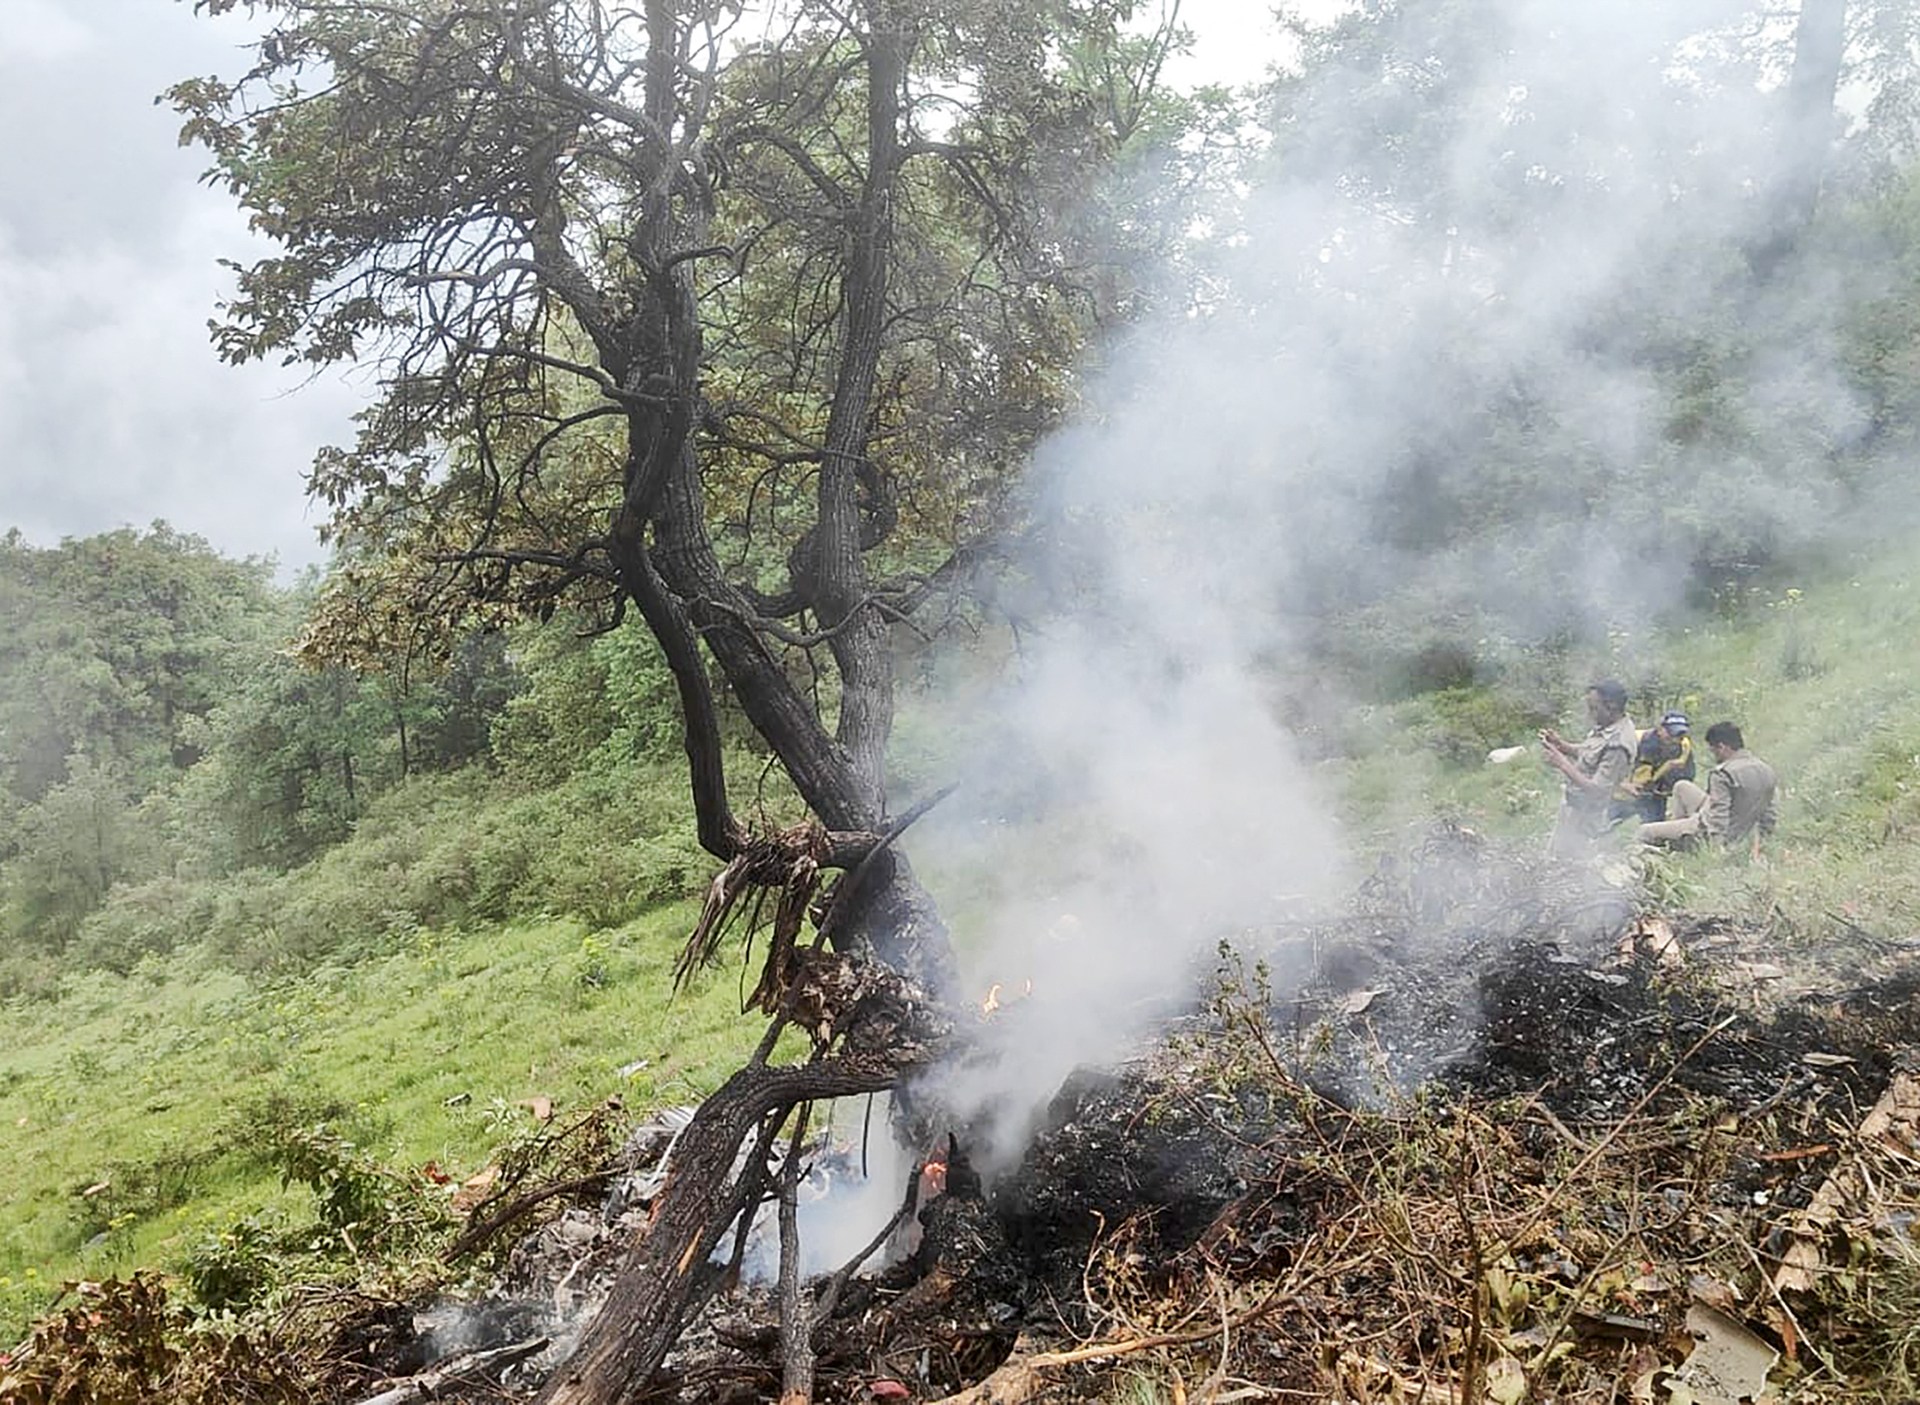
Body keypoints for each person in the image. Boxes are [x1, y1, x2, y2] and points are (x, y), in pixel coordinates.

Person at [1638, 721, 1778, 852]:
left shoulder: (1724, 773)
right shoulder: (1766, 769)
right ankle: (1676, 831)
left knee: (1645, 831)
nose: (1713, 755)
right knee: (1682, 786)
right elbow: (1770, 813)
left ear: (1722, 747)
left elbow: (1718, 816)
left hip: (1709, 829)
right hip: (1734, 818)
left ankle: (1671, 845)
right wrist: (1765, 840)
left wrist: (1715, 849)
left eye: (1713, 750)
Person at [1541, 679, 1638, 856]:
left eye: (1594, 708)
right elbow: (1591, 754)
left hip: (1587, 816)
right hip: (1574, 805)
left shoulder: (1618, 745)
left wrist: (1562, 763)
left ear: (1612, 707)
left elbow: (1598, 789)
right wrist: (1562, 745)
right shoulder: (1607, 727)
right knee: (1554, 857)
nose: (1591, 714)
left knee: (1569, 866)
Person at [1611, 711, 1695, 824]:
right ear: (1660, 729)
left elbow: (1686, 777)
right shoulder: (1631, 740)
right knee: (1599, 830)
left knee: (1654, 831)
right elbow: (1601, 770)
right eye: (1671, 734)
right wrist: (1623, 785)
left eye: (1679, 735)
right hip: (1617, 795)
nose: (1675, 740)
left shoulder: (1684, 746)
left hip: (1652, 796)